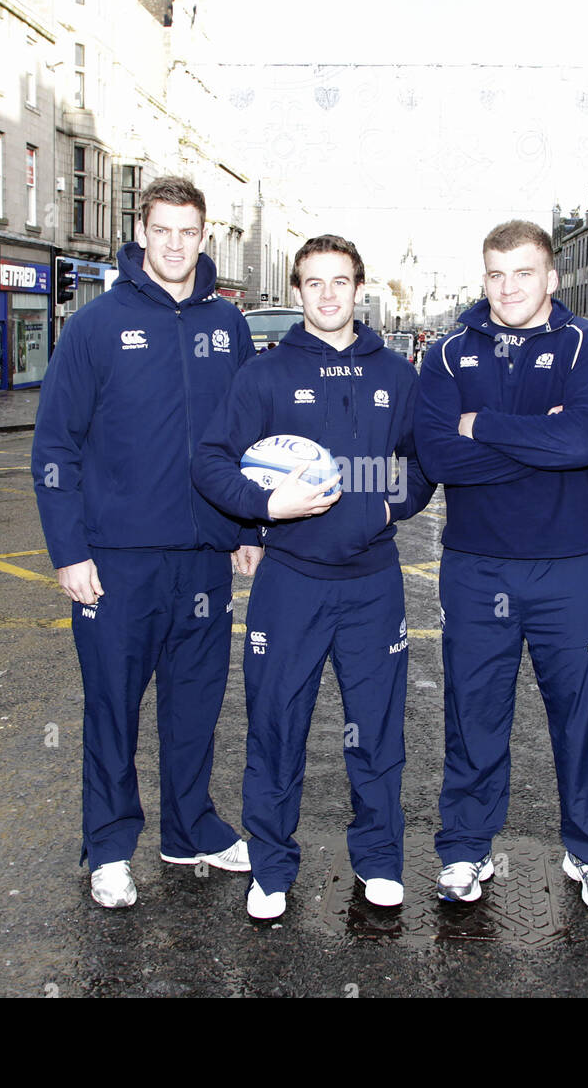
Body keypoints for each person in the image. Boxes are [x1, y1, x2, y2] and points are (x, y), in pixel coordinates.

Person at [32, 176, 258, 909]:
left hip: (203, 558)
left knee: (195, 706)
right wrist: (69, 552)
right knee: (112, 709)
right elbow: (56, 446)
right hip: (116, 564)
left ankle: (189, 829)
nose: (174, 243)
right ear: (141, 229)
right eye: (161, 229)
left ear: (204, 236)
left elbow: (247, 441)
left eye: (187, 231)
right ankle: (108, 846)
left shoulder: (230, 327)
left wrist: (247, 527)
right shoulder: (95, 326)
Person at [192, 235, 434, 919]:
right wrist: (261, 508)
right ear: (297, 291)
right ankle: (271, 867)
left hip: (372, 584)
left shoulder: (396, 374)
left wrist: (391, 502)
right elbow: (211, 460)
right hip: (290, 583)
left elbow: (423, 462)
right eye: (313, 283)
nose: (327, 295)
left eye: (340, 281)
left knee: (378, 729)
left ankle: (381, 861)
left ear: (361, 288)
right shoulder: (264, 375)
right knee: (274, 726)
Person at [414, 220, 588, 915]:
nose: (509, 288)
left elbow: (580, 440)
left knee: (582, 720)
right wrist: (540, 435)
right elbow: (439, 459)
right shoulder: (447, 353)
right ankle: (465, 849)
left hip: (571, 567)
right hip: (476, 569)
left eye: (524, 273)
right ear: (484, 280)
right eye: (497, 275)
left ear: (552, 278)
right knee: (474, 715)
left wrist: (483, 424)